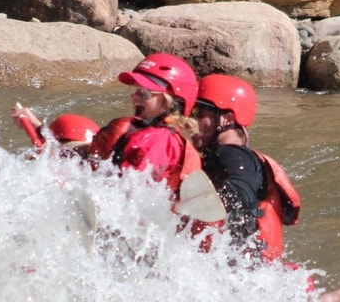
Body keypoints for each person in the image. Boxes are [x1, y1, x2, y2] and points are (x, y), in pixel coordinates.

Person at [191, 74, 301, 264]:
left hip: (241, 268)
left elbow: (240, 197)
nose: (191, 122)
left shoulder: (231, 155)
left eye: (199, 114)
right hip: (250, 267)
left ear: (227, 119)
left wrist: (186, 200)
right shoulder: (230, 156)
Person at [86, 53, 202, 193]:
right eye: (137, 90)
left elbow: (132, 193)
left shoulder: (158, 141)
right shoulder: (148, 133)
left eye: (145, 93)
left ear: (171, 103)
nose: (135, 98)